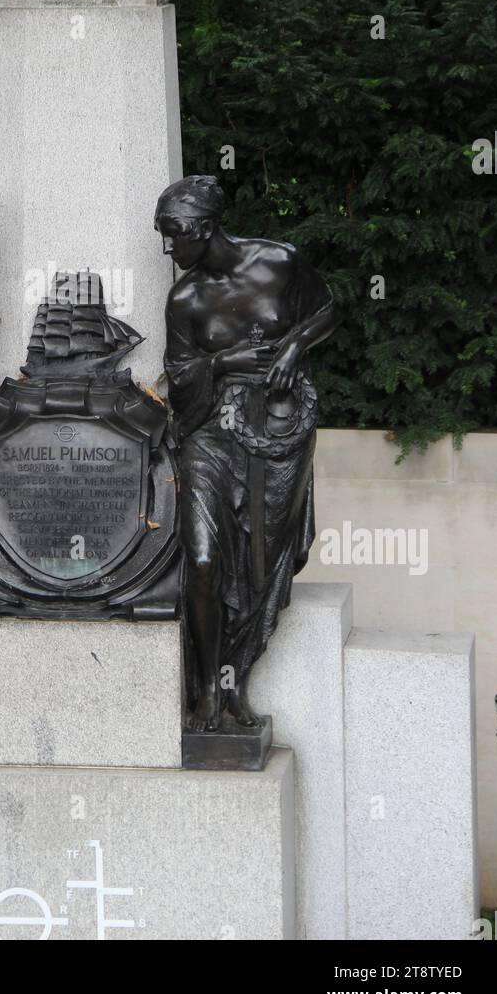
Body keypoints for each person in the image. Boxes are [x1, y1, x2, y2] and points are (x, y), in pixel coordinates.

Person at [154, 175, 337, 733]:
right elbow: (180, 380)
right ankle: (205, 687)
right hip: (209, 432)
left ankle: (236, 678)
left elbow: (327, 310)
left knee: (260, 563)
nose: (166, 249)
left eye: (170, 236)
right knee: (205, 559)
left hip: (278, 428)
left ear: (202, 228)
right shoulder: (184, 299)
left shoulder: (280, 262)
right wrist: (223, 363)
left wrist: (295, 347)